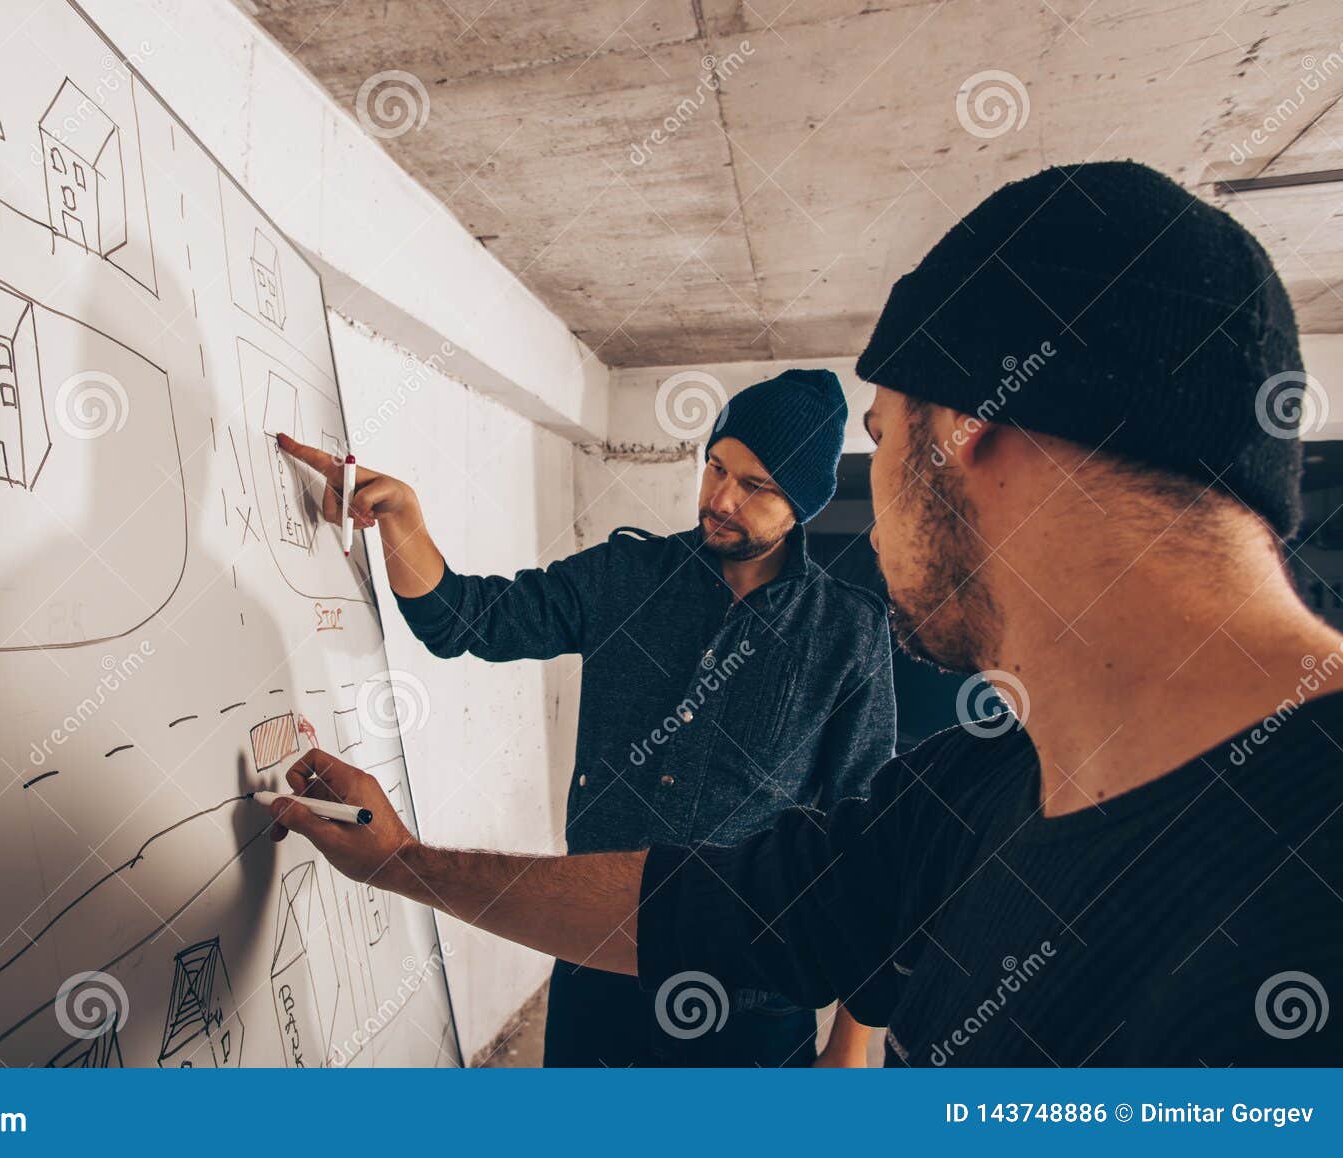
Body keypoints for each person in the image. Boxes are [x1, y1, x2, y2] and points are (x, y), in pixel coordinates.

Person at [270, 161, 1343, 1066]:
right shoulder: (967, 805)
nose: (878, 527)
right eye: (716, 470)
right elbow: (753, 903)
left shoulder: (857, 643)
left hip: (750, 1029)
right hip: (610, 989)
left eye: (880, 438)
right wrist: (403, 862)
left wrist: (845, 1043)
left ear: (963, 426)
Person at [278, 368, 896, 1067]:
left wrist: (851, 1044)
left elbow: (865, 848)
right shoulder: (628, 576)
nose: (720, 498)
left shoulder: (848, 631)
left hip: (750, 1000)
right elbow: (467, 621)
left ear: (803, 504)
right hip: (594, 968)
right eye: (717, 466)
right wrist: (403, 521)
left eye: (755, 486)